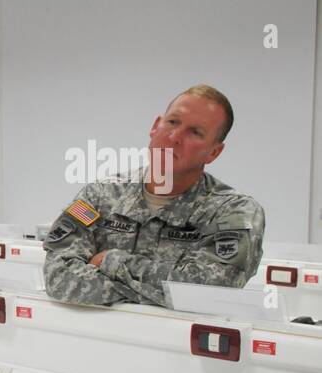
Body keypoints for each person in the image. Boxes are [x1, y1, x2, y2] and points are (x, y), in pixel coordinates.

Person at [42, 85, 264, 307]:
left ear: (214, 152)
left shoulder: (232, 211)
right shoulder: (99, 194)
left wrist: (113, 261)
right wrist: (162, 296)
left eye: (195, 132)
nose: (175, 137)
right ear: (155, 126)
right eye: (173, 122)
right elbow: (59, 279)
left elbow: (209, 295)